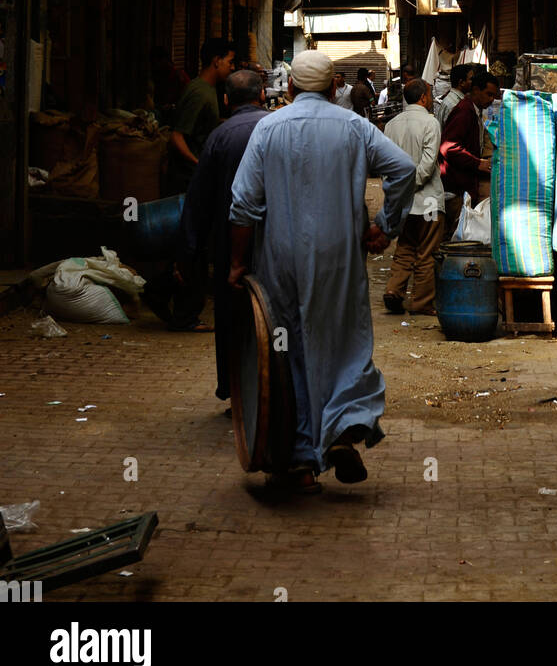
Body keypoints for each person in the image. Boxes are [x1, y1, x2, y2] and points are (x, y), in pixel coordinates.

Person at [228, 49, 416, 492]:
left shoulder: (268, 128)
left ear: (290, 88)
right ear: (335, 88)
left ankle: (299, 460)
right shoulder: (354, 127)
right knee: (343, 341)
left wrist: (237, 265)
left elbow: (243, 204)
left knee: (286, 350)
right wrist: (384, 227)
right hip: (340, 258)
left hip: (279, 261)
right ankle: (343, 430)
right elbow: (404, 169)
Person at [173, 70, 270, 393]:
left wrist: (187, 255)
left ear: (226, 100)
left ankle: (235, 388)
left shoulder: (220, 137)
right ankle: (273, 389)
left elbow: (197, 201)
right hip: (276, 243)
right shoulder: (279, 129)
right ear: (262, 95)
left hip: (230, 246)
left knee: (231, 315)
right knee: (275, 317)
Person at [381, 79, 445, 316]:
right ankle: (422, 302)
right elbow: (427, 165)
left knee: (406, 246)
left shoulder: (392, 124)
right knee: (427, 251)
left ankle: (394, 289)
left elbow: (386, 163)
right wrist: (411, 184)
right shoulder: (430, 122)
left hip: (403, 202)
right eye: (429, 94)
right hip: (427, 200)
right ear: (423, 98)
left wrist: (401, 188)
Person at [165, 38, 236, 195]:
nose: (233, 67)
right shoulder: (199, 93)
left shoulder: (208, 88)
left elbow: (202, 122)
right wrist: (198, 163)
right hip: (188, 179)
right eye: (230, 62)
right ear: (217, 61)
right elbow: (177, 136)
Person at [439, 72, 500, 239]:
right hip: (457, 188)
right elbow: (448, 147)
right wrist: (476, 163)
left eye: (493, 96)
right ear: (475, 90)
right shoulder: (464, 111)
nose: (491, 100)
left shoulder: (474, 111)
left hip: (463, 186)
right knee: (453, 237)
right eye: (488, 94)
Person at [435, 62, 474, 130]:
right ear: (461, 83)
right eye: (471, 79)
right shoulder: (455, 104)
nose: (473, 82)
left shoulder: (452, 99)